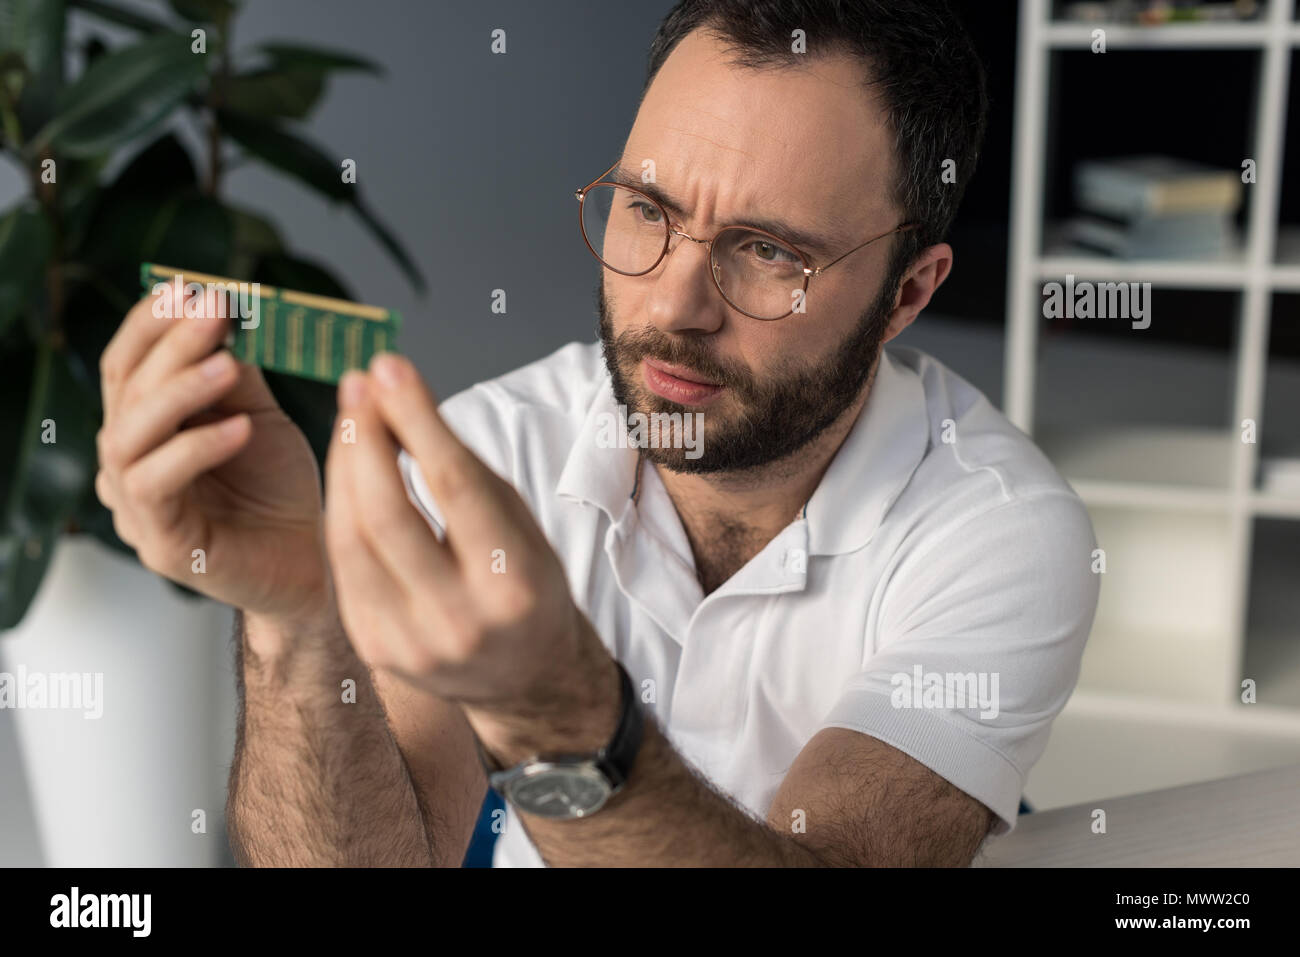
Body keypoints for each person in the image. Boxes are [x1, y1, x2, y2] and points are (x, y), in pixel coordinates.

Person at [94, 0, 1100, 868]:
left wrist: (558, 718)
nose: (673, 305)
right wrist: (299, 623)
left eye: (764, 250)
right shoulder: (486, 457)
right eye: (646, 210)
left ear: (906, 293)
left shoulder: (994, 535)